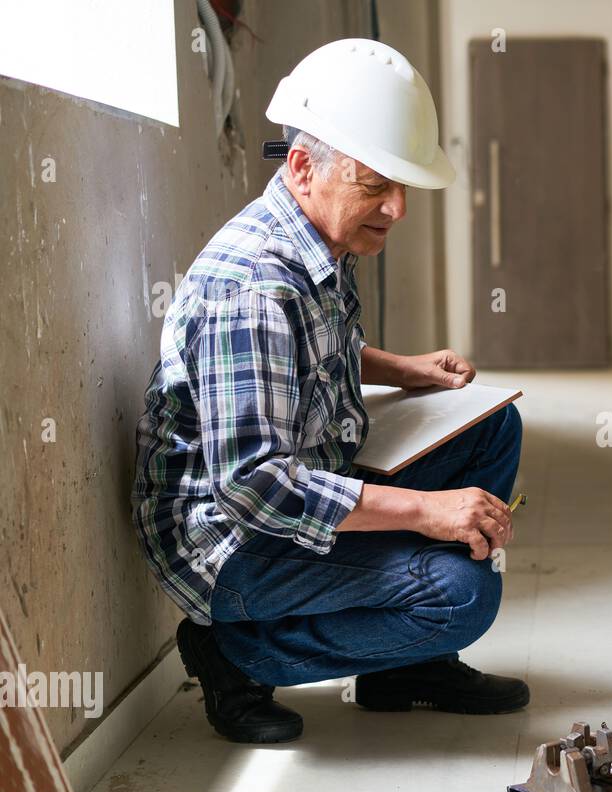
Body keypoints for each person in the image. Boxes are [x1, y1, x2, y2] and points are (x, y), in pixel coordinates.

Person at [132, 39, 527, 744]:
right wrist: (425, 511)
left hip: (296, 487)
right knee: (465, 594)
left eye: (402, 186)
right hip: (231, 545)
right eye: (377, 184)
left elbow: (312, 353)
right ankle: (233, 651)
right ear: (304, 167)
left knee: (492, 427)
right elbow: (255, 486)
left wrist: (404, 369)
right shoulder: (251, 286)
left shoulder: (320, 237)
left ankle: (406, 667)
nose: (397, 208)